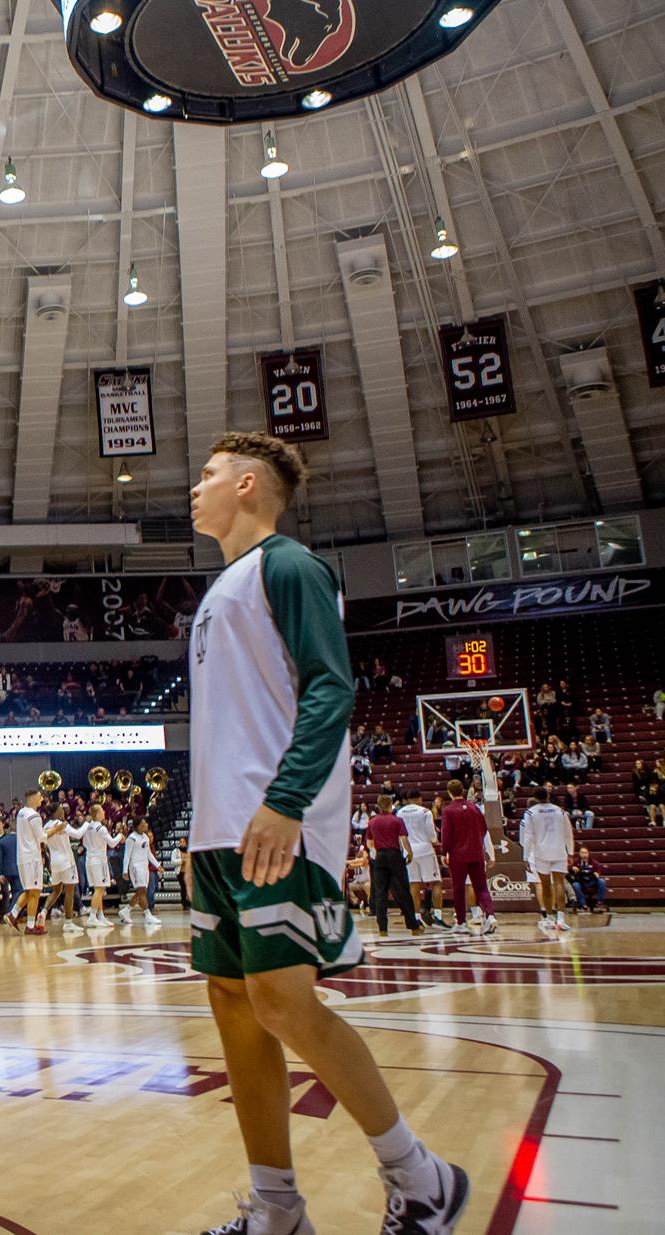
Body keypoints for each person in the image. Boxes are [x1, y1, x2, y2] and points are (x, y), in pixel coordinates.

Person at [187, 431, 465, 1235]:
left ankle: (421, 1177)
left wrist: (285, 798)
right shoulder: (220, 590)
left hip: (275, 821)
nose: (195, 489)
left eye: (207, 477)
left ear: (247, 485)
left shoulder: (289, 566)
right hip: (220, 832)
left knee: (283, 1000)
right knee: (236, 1006)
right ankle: (277, 1208)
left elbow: (330, 687)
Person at [437, 782, 496, 937]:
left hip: (458, 855)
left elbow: (447, 833)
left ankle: (461, 923)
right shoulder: (474, 808)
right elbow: (484, 829)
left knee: (458, 888)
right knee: (481, 887)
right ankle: (490, 916)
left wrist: (445, 852)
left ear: (449, 792)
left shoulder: (448, 810)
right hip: (476, 853)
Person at [519, 786, 575, 936]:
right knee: (559, 883)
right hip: (559, 851)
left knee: (545, 884)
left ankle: (549, 917)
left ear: (535, 797)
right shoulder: (560, 811)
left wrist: (525, 856)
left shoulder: (531, 812)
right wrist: (570, 852)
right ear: (548, 796)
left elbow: (528, 836)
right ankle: (561, 918)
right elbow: (568, 833)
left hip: (541, 852)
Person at [366, 793, 422, 938]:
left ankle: (382, 928)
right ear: (391, 805)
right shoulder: (397, 820)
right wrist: (409, 852)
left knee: (380, 893)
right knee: (403, 890)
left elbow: (369, 843)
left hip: (380, 856)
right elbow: (403, 839)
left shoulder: (372, 822)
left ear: (378, 806)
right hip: (394, 855)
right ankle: (413, 926)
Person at [397, 789, 447, 929]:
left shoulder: (400, 812)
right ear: (419, 798)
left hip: (409, 850)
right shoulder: (425, 812)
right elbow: (431, 833)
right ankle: (437, 917)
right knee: (436, 882)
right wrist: (434, 840)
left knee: (414, 884)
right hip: (425, 849)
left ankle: (417, 918)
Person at [5, 783, 48, 934]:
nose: (42, 799)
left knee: (29, 890)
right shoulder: (34, 815)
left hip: (22, 858)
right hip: (32, 857)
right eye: (40, 796)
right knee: (35, 892)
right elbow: (42, 837)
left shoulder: (21, 813)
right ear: (34, 797)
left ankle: (13, 914)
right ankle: (30, 926)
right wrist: (56, 829)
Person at [69, 803, 120, 927]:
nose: (104, 812)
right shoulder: (101, 828)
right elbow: (112, 843)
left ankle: (100, 916)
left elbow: (85, 844)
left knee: (98, 889)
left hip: (89, 860)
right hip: (99, 860)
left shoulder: (87, 827)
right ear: (97, 814)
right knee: (100, 889)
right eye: (102, 810)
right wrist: (120, 836)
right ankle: (92, 917)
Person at [40, 803, 80, 934]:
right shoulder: (62, 824)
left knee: (56, 890)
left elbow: (44, 841)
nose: (63, 811)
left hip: (54, 862)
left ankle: (43, 911)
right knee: (70, 891)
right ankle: (68, 923)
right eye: (61, 809)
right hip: (67, 861)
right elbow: (78, 834)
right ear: (56, 812)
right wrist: (87, 823)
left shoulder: (46, 826)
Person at [119, 820, 161, 931]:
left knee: (141, 892)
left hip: (145, 867)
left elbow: (149, 854)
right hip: (135, 867)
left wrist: (157, 865)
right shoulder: (131, 839)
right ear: (138, 826)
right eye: (144, 824)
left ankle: (126, 911)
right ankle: (148, 915)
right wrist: (125, 871)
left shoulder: (146, 838)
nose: (147, 825)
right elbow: (126, 856)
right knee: (141, 891)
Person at [568, 847, 607, 913]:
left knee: (602, 881)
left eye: (585, 853)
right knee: (575, 885)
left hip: (591, 882)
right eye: (582, 853)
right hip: (581, 882)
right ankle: (583, 905)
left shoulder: (594, 863)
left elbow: (598, 872)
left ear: (588, 854)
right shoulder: (575, 862)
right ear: (579, 854)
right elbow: (568, 870)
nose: (584, 855)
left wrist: (597, 874)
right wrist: (572, 868)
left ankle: (600, 903)